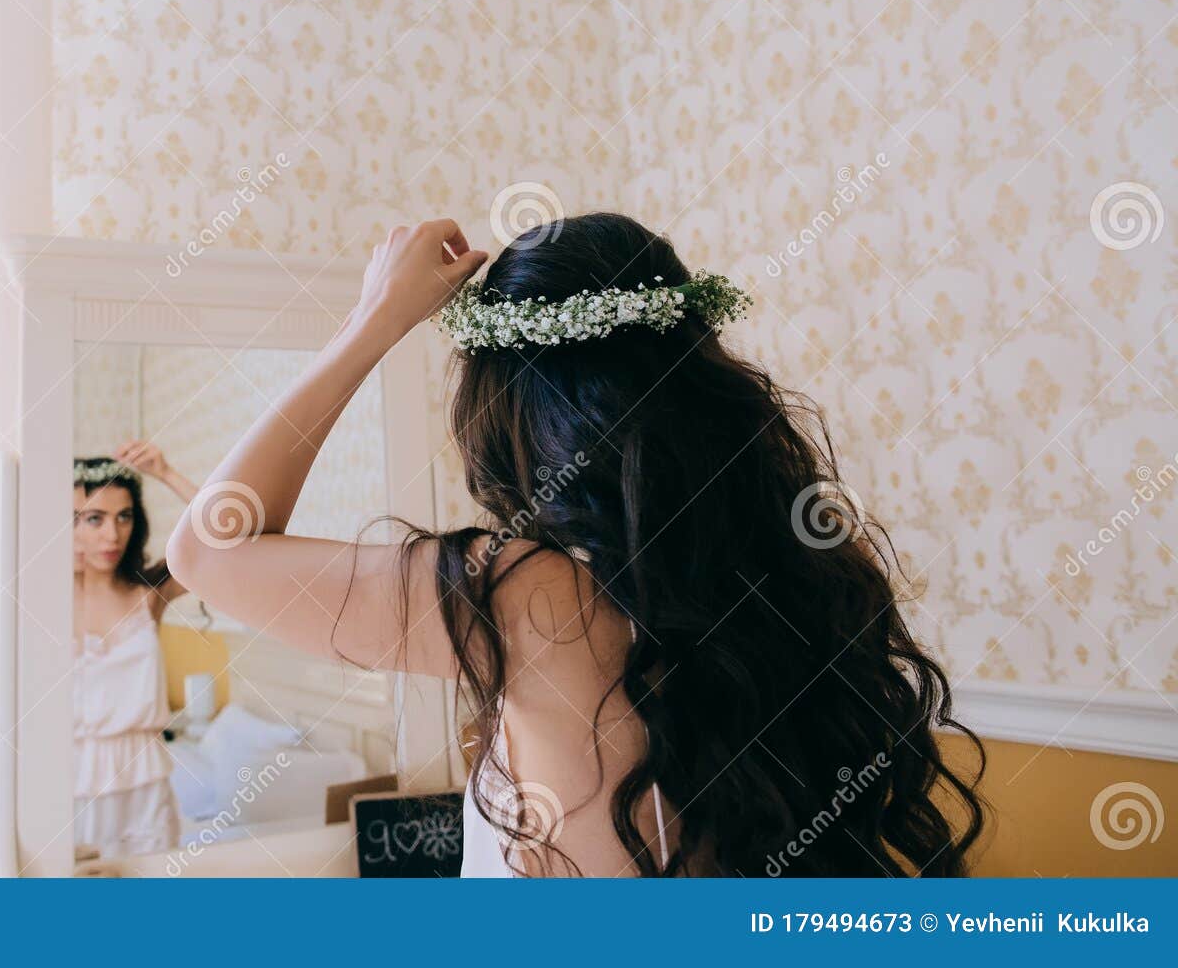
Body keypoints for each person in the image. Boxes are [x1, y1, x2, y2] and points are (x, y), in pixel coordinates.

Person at [165, 213, 986, 877]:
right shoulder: (795, 570)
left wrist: (372, 321)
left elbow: (207, 549)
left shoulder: (533, 595)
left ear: (512, 408)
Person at [72, 441, 197, 859]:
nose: (112, 534)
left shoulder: (150, 595)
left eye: (123, 517)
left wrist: (166, 472)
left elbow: (231, 538)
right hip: (67, 780)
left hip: (145, 782)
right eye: (94, 519)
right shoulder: (36, 600)